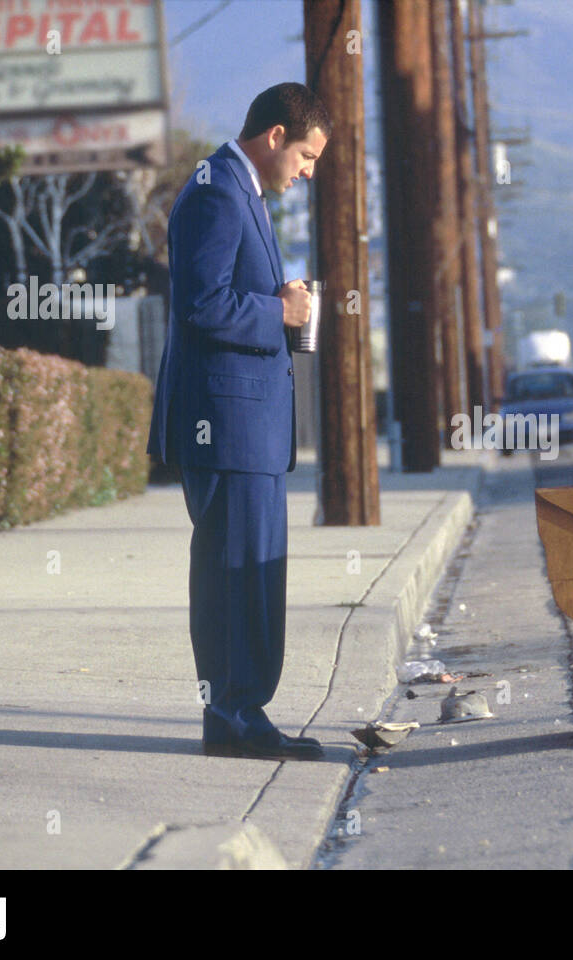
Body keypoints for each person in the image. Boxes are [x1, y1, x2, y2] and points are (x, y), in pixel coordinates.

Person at [148, 83, 330, 760]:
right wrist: (278, 313)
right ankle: (232, 717)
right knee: (234, 573)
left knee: (252, 571)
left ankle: (241, 713)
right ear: (277, 135)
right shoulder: (218, 189)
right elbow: (201, 304)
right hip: (223, 426)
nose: (308, 172)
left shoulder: (240, 189)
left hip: (247, 427)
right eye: (308, 155)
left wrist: (281, 305)